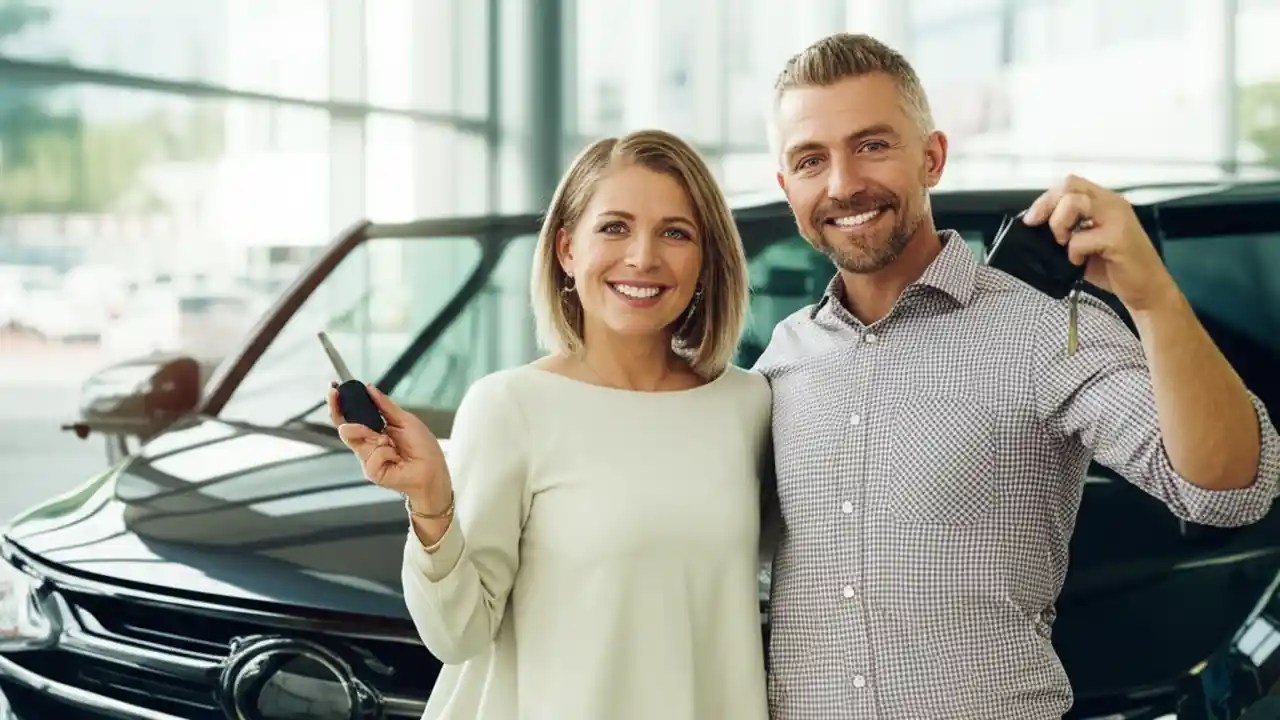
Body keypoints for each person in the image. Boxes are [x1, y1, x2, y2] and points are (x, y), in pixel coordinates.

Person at [753, 32, 1280, 719]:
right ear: (786, 184)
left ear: (932, 157)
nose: (843, 182)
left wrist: (1152, 296)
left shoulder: (1044, 329)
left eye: (872, 145)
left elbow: (1227, 491)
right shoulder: (779, 364)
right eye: (811, 159)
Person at [328, 129, 772, 720]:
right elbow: (457, 636)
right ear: (567, 250)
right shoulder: (510, 405)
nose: (643, 256)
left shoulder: (749, 405)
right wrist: (432, 502)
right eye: (614, 227)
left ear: (706, 258)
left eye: (675, 232)